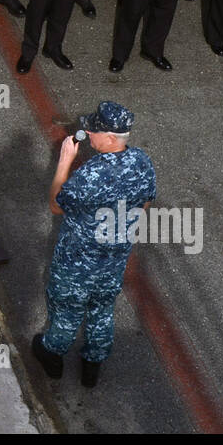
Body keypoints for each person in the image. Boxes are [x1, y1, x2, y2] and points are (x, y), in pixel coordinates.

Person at [32, 101, 156, 388]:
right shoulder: (142, 161)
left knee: (67, 308)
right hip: (114, 258)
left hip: (77, 261)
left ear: (111, 138)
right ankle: (92, 364)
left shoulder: (92, 173)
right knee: (102, 307)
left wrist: (64, 161)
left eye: (94, 131)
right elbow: (146, 201)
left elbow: (55, 204)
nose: (87, 132)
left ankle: (52, 354)